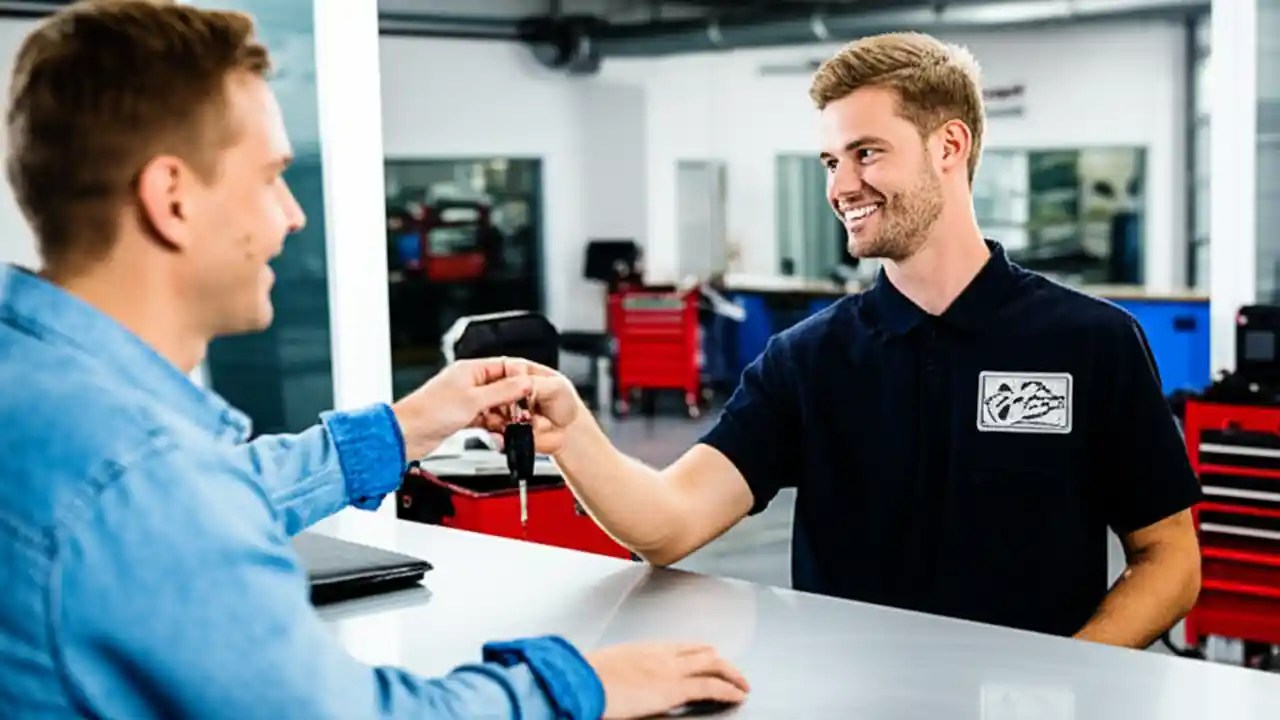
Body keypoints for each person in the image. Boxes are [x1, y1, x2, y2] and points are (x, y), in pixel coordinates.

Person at [0, 2, 748, 718]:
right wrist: (577, 682)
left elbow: (213, 496)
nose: (292, 214)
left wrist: (405, 426)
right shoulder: (139, 469)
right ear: (172, 196)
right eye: (269, 177)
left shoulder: (39, 391)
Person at [503, 32, 1203, 649]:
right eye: (829, 161)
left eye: (866, 153)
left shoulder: (1091, 342)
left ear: (949, 146)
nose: (841, 186)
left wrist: (1070, 675)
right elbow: (668, 523)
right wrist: (572, 432)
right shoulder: (806, 361)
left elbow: (1170, 557)